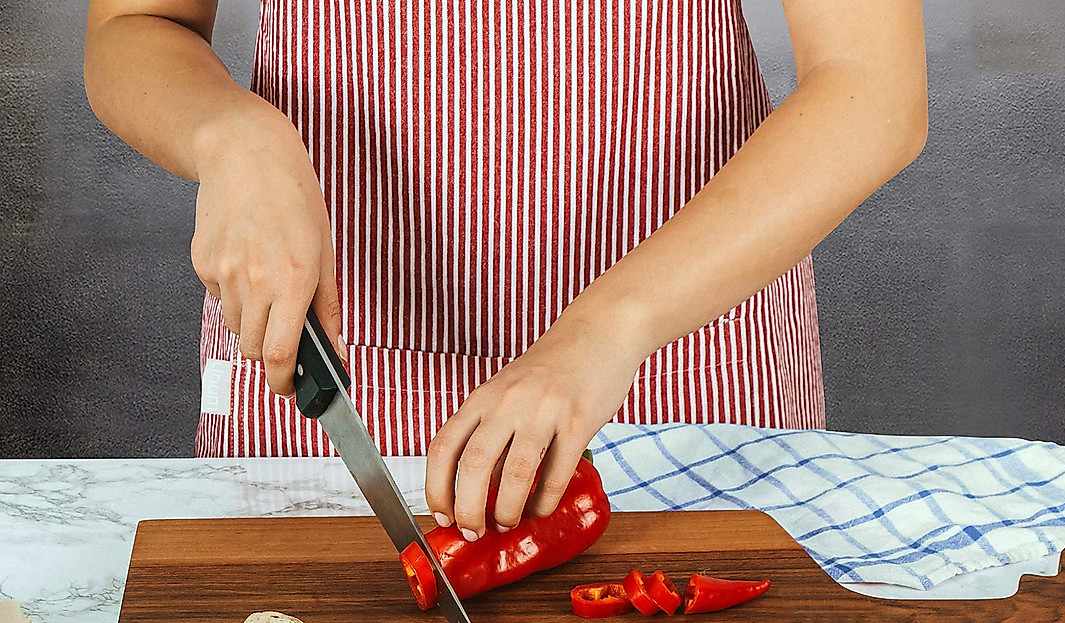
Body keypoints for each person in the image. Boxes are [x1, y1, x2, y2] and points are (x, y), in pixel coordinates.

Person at [84, 2, 927, 539]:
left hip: (681, 359)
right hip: (333, 356)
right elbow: (135, 26)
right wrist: (229, 135)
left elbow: (871, 87)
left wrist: (613, 324)